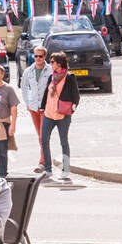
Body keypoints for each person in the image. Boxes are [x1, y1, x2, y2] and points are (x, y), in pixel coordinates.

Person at [40, 51, 81, 182]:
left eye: (52, 62)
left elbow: (76, 96)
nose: (50, 64)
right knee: (44, 139)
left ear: (59, 63)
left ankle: (66, 170)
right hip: (48, 114)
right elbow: (46, 94)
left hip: (63, 115)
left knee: (64, 142)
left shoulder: (69, 77)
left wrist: (70, 110)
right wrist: (42, 107)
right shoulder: (51, 77)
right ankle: (48, 169)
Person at [18, 46, 51, 173]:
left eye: (40, 56)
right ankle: (45, 158)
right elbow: (24, 87)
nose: (37, 59)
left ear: (45, 57)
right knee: (39, 135)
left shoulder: (50, 71)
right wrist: (27, 101)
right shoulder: (28, 71)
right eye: (35, 56)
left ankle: (42, 162)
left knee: (43, 136)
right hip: (33, 107)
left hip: (45, 108)